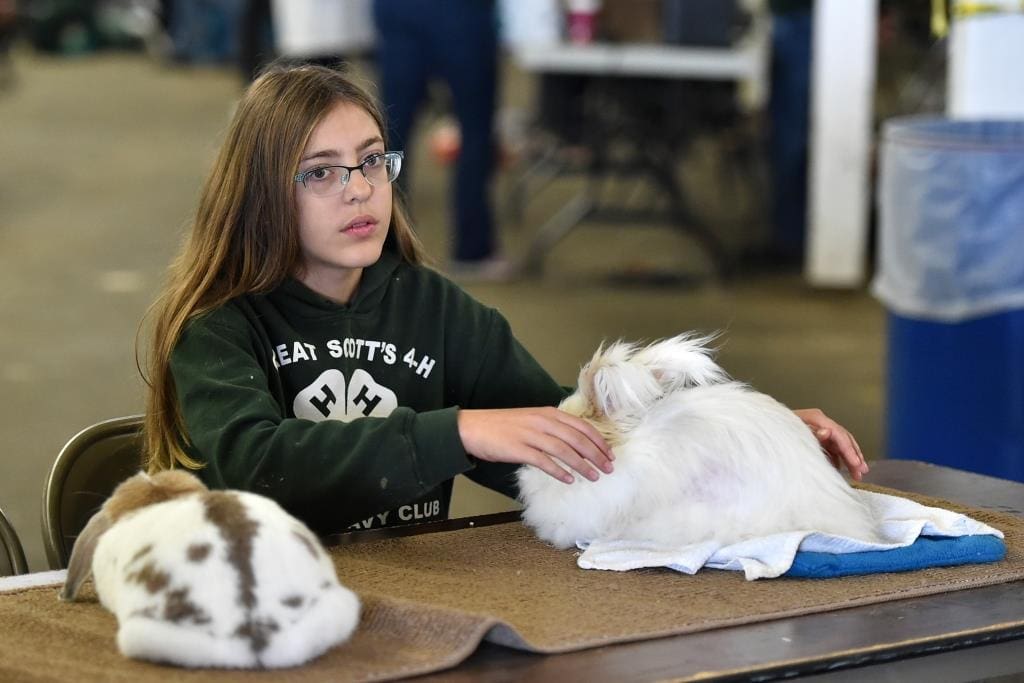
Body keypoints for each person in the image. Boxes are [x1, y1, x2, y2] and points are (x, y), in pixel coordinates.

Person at [142, 61, 868, 537]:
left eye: (371, 160)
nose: (361, 189)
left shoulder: (434, 308)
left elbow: (570, 438)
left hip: (410, 605)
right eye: (322, 173)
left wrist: (741, 429)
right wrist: (459, 431)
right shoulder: (218, 327)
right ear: (261, 193)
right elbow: (255, 463)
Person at [370, 0, 505, 278]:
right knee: (474, 129)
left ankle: (383, 247)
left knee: (390, 133)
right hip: (462, 14)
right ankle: (473, 249)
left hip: (400, 12)